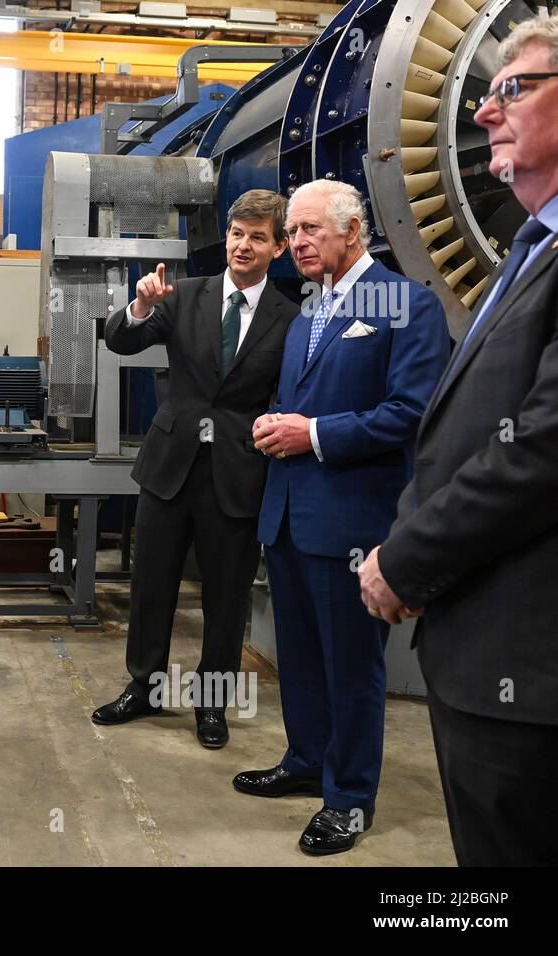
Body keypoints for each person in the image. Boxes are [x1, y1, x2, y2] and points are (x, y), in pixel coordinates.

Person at [359, 14, 558, 865]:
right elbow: (458, 428)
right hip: (482, 648)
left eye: (515, 88)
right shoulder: (529, 251)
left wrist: (404, 563)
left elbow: (540, 451)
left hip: (531, 672)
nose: (483, 112)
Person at [238, 179, 450, 854]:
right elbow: (300, 401)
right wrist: (276, 423)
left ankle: (350, 798)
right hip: (292, 517)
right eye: (292, 232)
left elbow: (410, 413)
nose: (295, 242)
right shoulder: (309, 314)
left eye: (308, 230)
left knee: (352, 669)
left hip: (353, 525)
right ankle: (306, 761)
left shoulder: (403, 304)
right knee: (299, 659)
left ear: (352, 232)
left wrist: (314, 434)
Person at [92, 190, 295, 748]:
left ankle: (212, 704)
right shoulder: (183, 296)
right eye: (236, 233)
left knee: (225, 596)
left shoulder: (289, 317)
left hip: (237, 472)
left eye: (258, 237)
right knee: (152, 583)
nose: (244, 245)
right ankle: (145, 687)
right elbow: (120, 342)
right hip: (170, 466)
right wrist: (138, 306)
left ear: (277, 247)